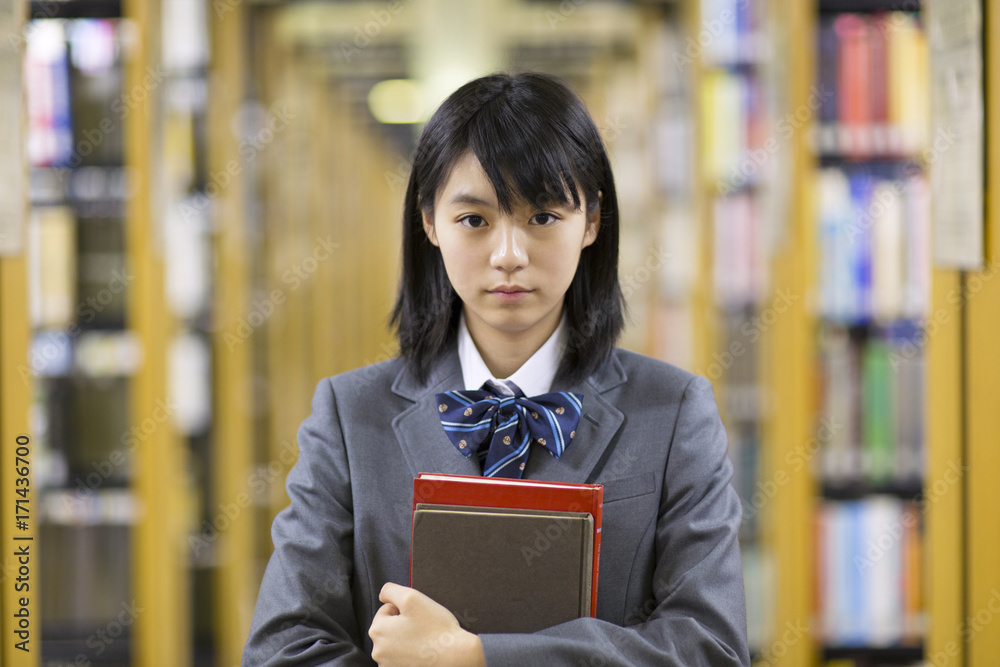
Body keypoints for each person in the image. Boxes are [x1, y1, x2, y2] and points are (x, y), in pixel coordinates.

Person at [243, 71, 750, 666]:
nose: (509, 255)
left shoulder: (673, 411)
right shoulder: (350, 415)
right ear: (429, 222)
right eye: (475, 220)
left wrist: (479, 659)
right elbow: (282, 647)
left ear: (591, 221)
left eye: (543, 217)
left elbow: (711, 646)